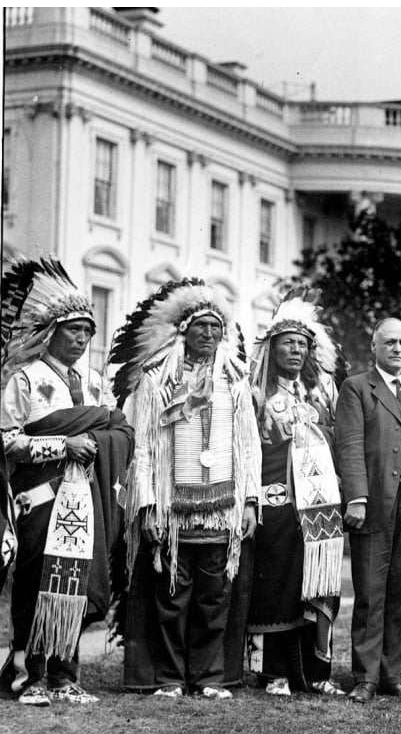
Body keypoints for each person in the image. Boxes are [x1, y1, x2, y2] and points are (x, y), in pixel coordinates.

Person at [112, 278, 261, 699]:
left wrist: (250, 502)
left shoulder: (234, 378)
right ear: (184, 329)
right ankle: (170, 678)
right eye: (201, 327)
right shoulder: (158, 378)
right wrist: (147, 507)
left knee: (215, 596)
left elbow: (248, 445)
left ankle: (210, 677)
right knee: (172, 596)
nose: (209, 335)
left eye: (216, 328)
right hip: (172, 507)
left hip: (222, 505)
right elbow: (142, 445)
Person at [0, 258, 133, 706]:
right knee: (37, 578)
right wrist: (63, 445)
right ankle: (27, 675)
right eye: (74, 329)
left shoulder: (96, 384)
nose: (81, 338)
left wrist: (93, 438)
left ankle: (64, 676)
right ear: (51, 330)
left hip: (86, 494)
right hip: (39, 494)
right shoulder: (27, 379)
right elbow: (6, 441)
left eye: (88, 332)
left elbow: (120, 431)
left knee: (75, 579)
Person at [246, 290, 348, 697]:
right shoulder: (256, 395)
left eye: (303, 344)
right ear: (270, 347)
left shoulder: (321, 394)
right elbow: (248, 447)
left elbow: (339, 437)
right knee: (279, 584)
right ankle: (273, 673)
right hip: (277, 500)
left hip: (319, 504)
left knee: (319, 585)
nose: (296, 350)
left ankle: (316, 673)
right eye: (288, 342)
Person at [335, 316, 401, 702]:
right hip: (375, 502)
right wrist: (356, 497)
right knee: (371, 592)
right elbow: (349, 445)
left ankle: (394, 676)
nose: (399, 350)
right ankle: (366, 677)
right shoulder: (357, 387)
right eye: (390, 343)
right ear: (374, 347)